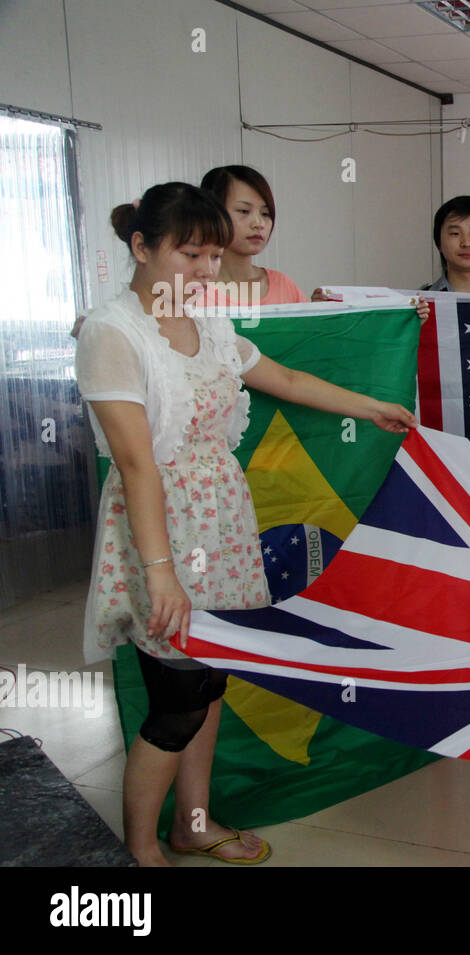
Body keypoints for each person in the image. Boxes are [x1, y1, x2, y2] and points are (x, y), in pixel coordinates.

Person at [75, 183, 414, 866]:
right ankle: (142, 853)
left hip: (221, 525)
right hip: (159, 531)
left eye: (210, 254)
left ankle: (193, 823)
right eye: (188, 253)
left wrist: (371, 405)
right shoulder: (110, 332)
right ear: (140, 248)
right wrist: (161, 572)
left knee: (210, 679)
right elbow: (138, 467)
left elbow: (285, 379)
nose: (203, 270)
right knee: (174, 702)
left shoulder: (212, 325)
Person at [199, 165, 306, 305]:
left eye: (265, 213)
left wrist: (324, 311)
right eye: (244, 211)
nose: (258, 223)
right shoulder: (190, 291)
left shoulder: (284, 286)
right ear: (212, 214)